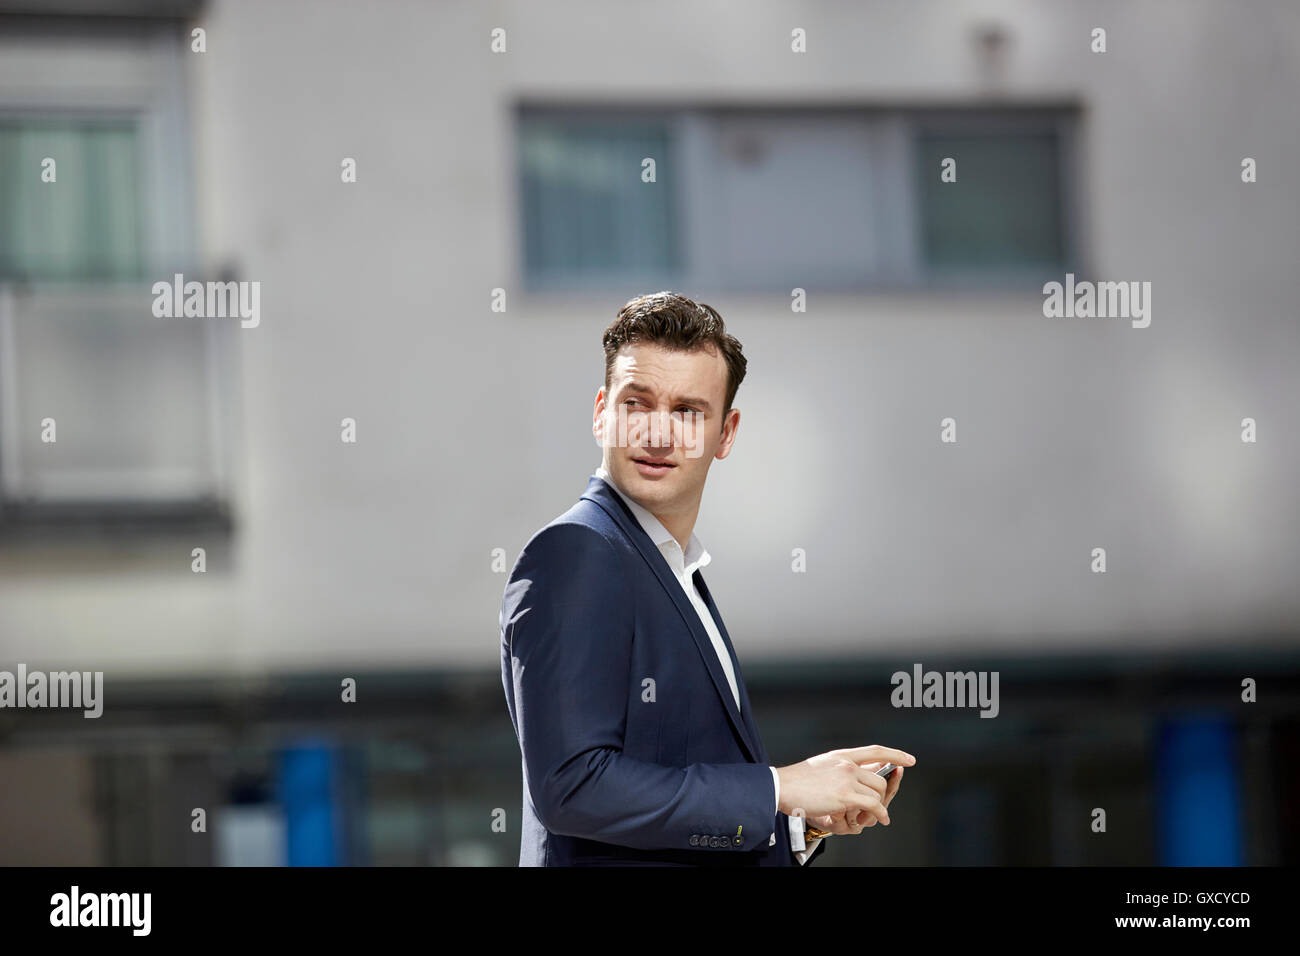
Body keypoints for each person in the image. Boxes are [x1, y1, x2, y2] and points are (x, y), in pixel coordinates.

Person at [500, 291, 915, 866]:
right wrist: (779, 786)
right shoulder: (578, 553)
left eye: (688, 412)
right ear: (602, 411)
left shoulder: (671, 567)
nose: (658, 434)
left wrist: (795, 823)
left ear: (726, 433)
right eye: (637, 404)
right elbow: (573, 786)